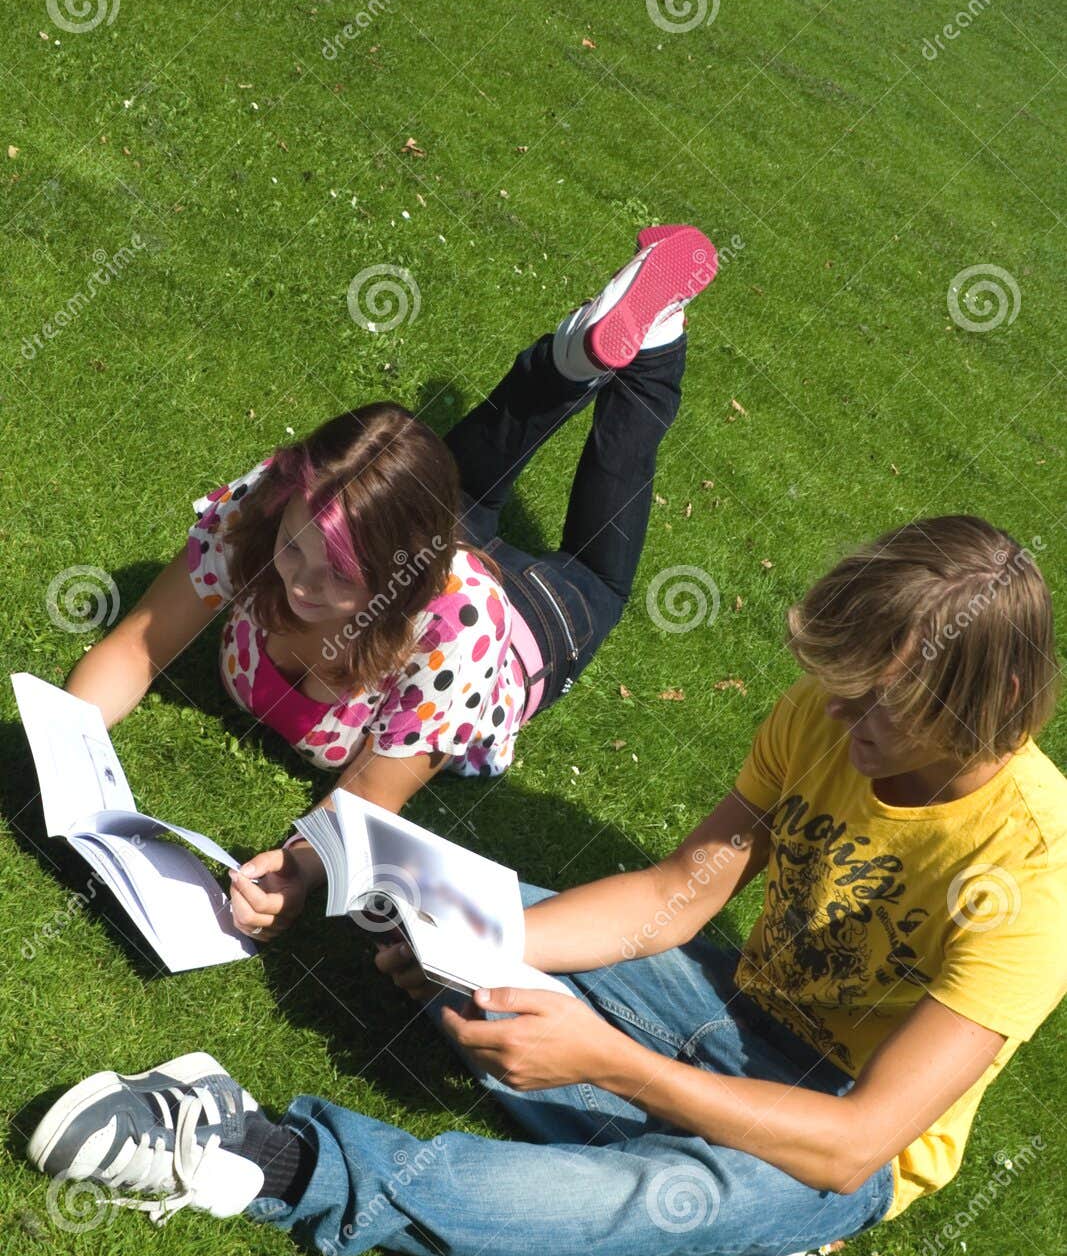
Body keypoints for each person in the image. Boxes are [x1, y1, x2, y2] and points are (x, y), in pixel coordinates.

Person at [28, 518, 1065, 1256]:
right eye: (838, 684)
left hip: (845, 1132)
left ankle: (263, 1157)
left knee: (677, 1189)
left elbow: (854, 1142)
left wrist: (605, 1059)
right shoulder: (828, 715)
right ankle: (729, 1237)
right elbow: (670, 900)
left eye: (879, 701)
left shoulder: (1033, 873)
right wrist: (474, 939)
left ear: (992, 706)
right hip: (724, 1012)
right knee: (431, 900)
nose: (840, 716)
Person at [63, 224, 716, 941]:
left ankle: (654, 342)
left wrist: (297, 869)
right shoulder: (279, 505)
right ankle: (574, 352)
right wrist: (64, 746)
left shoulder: (453, 634)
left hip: (539, 624)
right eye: (294, 549)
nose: (301, 587)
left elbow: (368, 796)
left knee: (609, 506)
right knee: (451, 469)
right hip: (416, 543)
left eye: (337, 575)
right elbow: (138, 647)